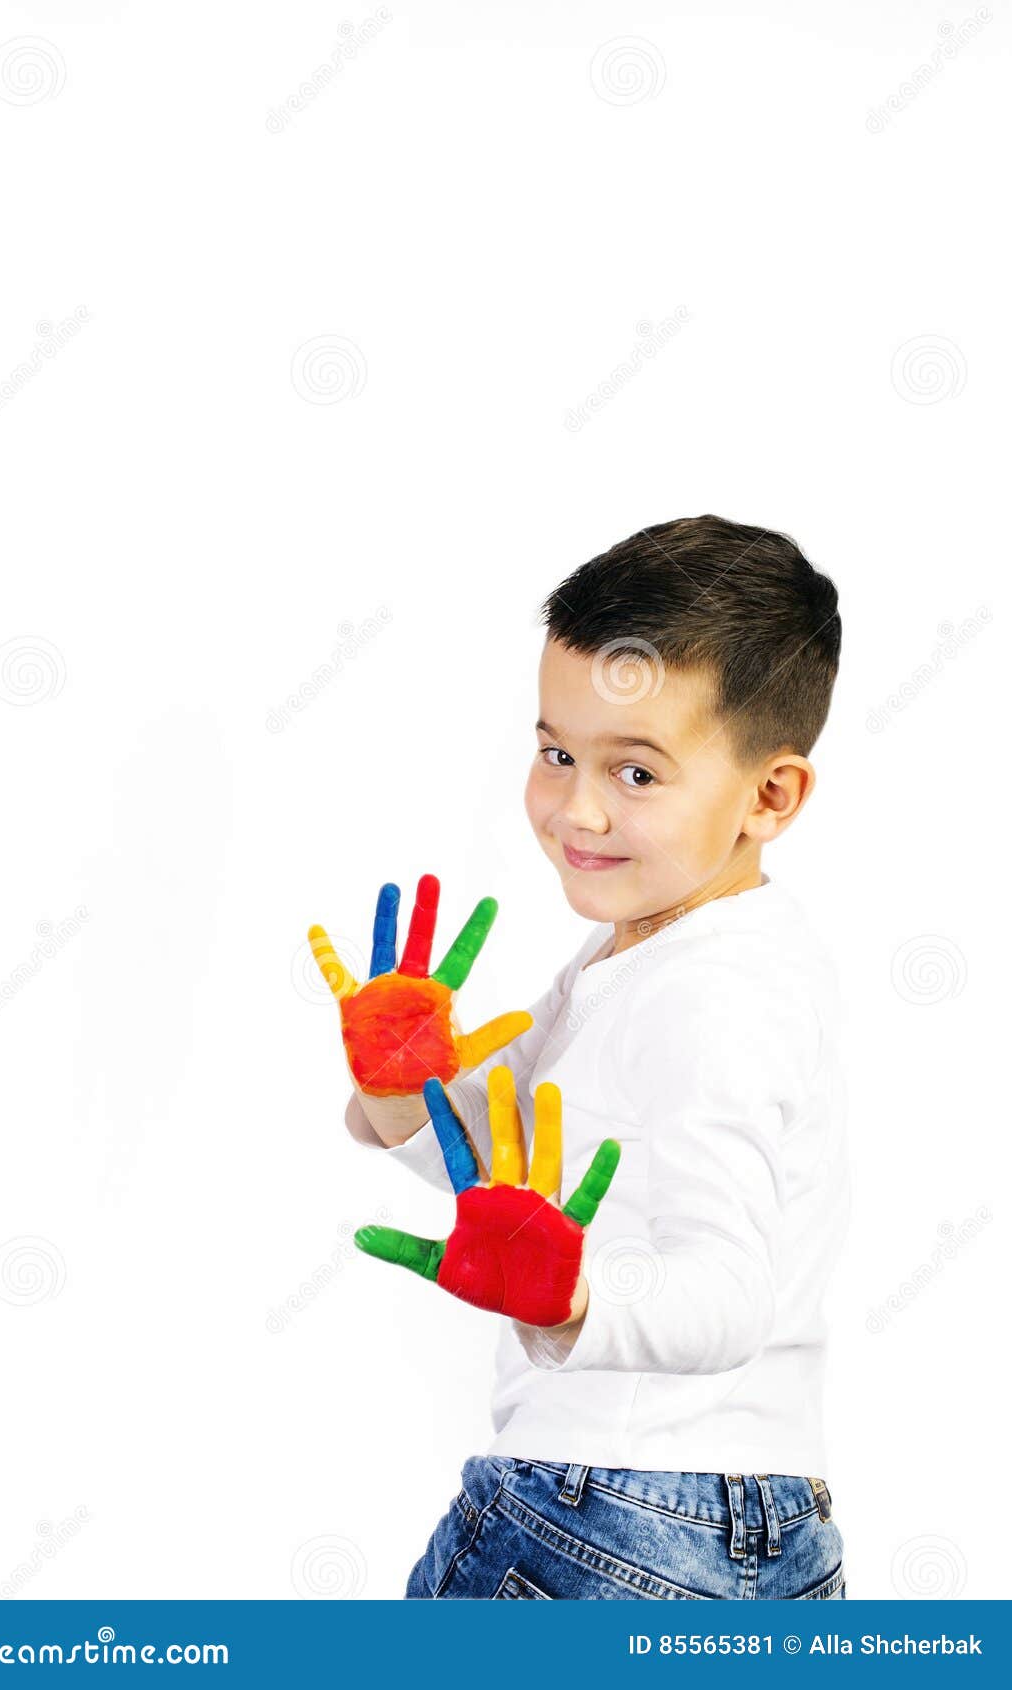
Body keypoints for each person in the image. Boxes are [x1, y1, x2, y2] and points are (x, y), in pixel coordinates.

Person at [338, 513, 849, 1599]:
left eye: (636, 774)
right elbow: (503, 1184)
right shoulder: (668, 946)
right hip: (769, 1532)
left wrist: (570, 1293)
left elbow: (727, 1290)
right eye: (556, 752)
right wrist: (400, 1090)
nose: (575, 807)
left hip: (607, 1515)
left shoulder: (711, 994)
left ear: (770, 797)